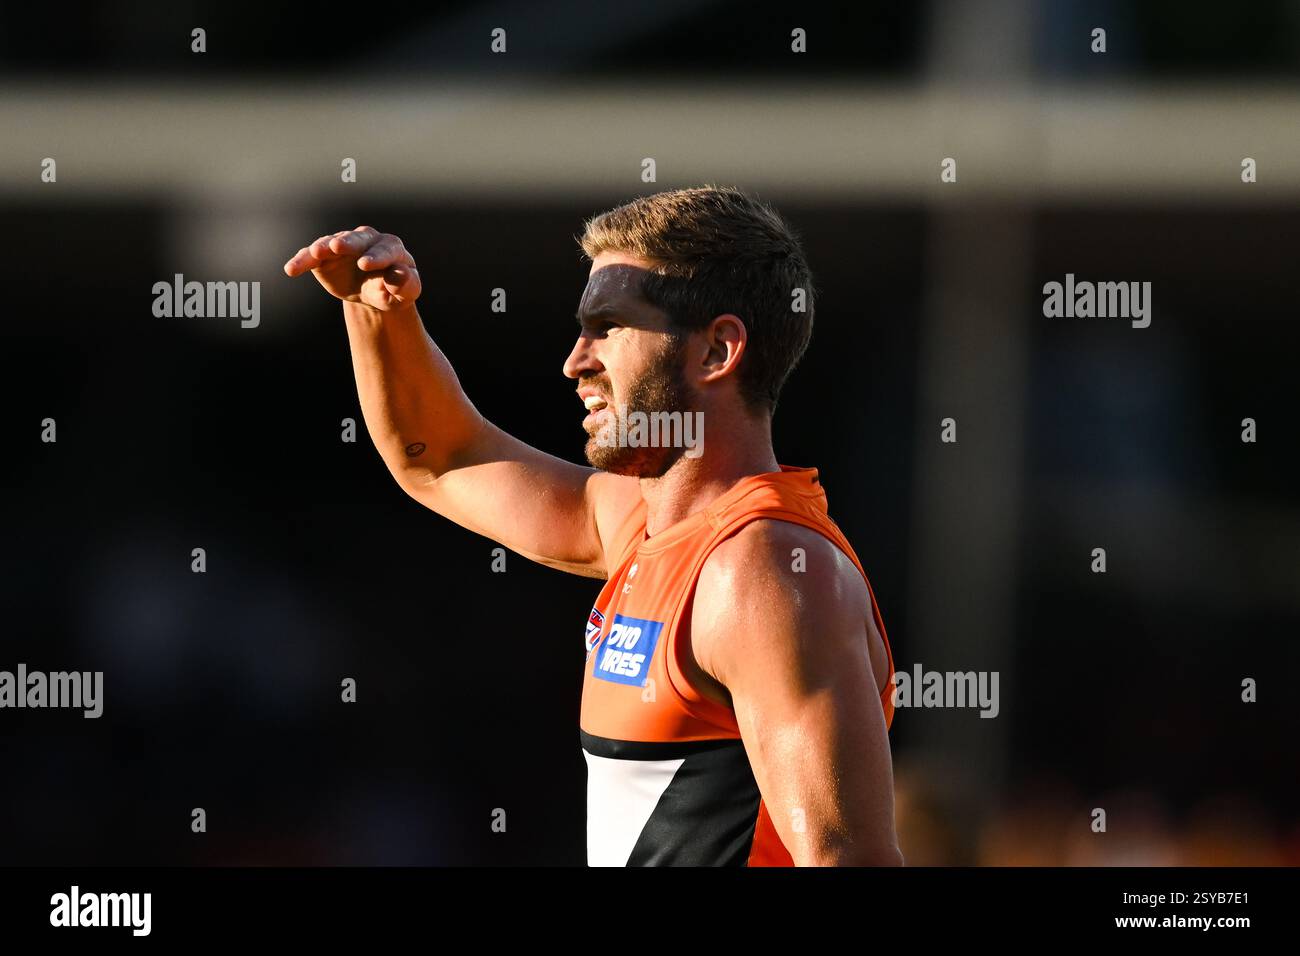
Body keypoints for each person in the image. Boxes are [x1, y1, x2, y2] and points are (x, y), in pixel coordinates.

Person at [283, 185, 901, 866]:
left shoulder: (758, 570)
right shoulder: (645, 527)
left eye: (608, 326)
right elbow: (441, 460)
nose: (576, 361)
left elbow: (847, 857)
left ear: (716, 352)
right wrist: (378, 313)